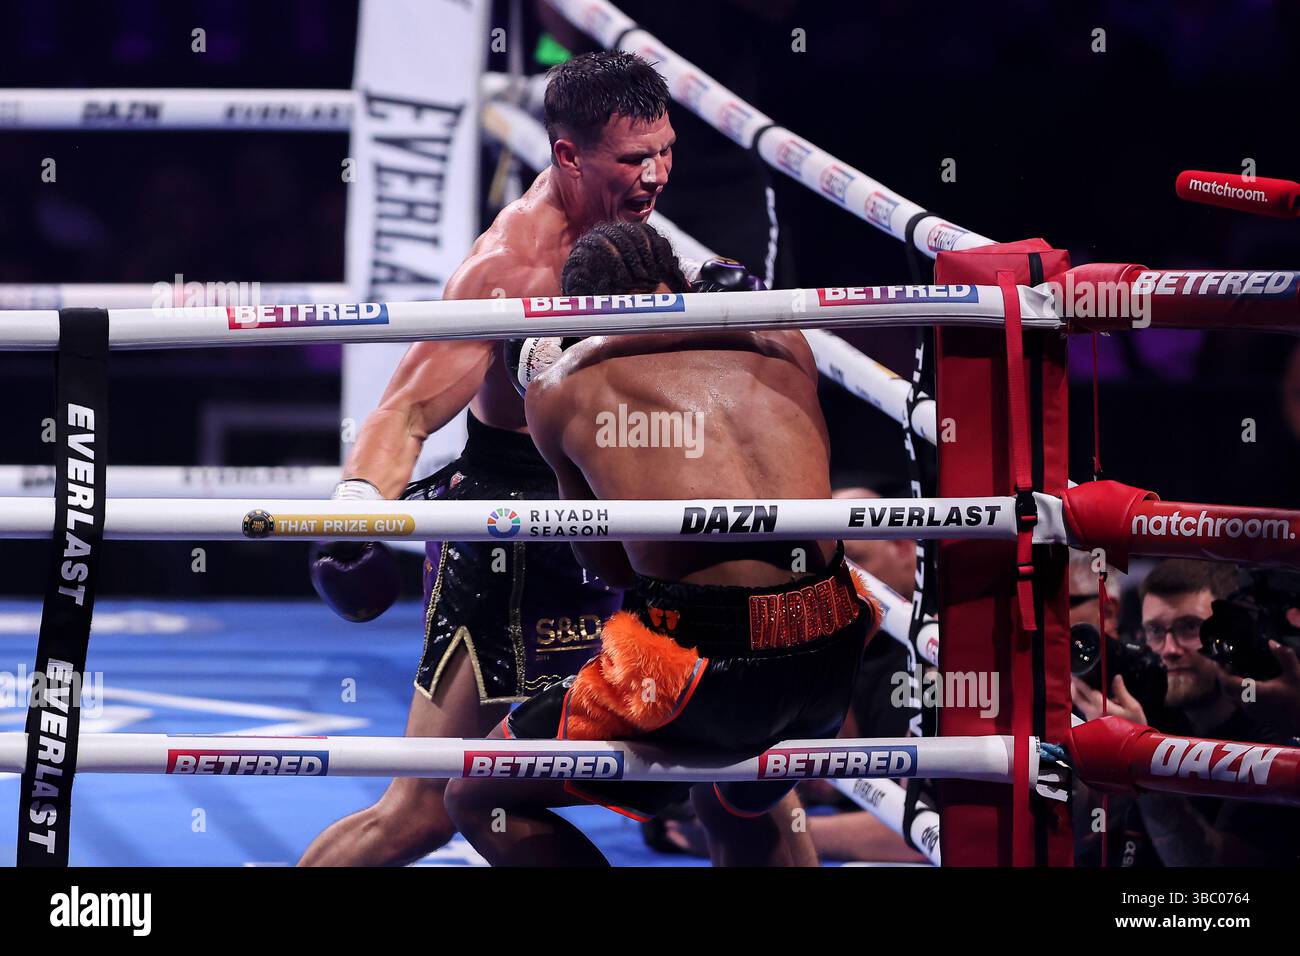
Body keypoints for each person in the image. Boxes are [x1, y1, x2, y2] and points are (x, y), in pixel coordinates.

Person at [298, 51, 677, 866]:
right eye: (632, 160)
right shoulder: (513, 269)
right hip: (514, 534)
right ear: (569, 156)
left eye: (666, 151)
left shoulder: (640, 240)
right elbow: (405, 411)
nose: (655, 177)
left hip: (625, 521)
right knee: (426, 808)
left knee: (740, 779)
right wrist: (354, 513)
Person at [443, 220, 880, 866]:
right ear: (678, 281)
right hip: (834, 654)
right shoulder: (784, 339)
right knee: (731, 802)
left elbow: (607, 562)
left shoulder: (564, 387)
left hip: (700, 675)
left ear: (580, 315)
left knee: (476, 795)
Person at [1074, 559, 1300, 866]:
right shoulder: (1154, 714)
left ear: (1230, 629)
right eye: (1155, 630)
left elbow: (1217, 874)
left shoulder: (1272, 736)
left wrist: (1139, 757)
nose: (1169, 649)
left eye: (1190, 628)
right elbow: (1091, 836)